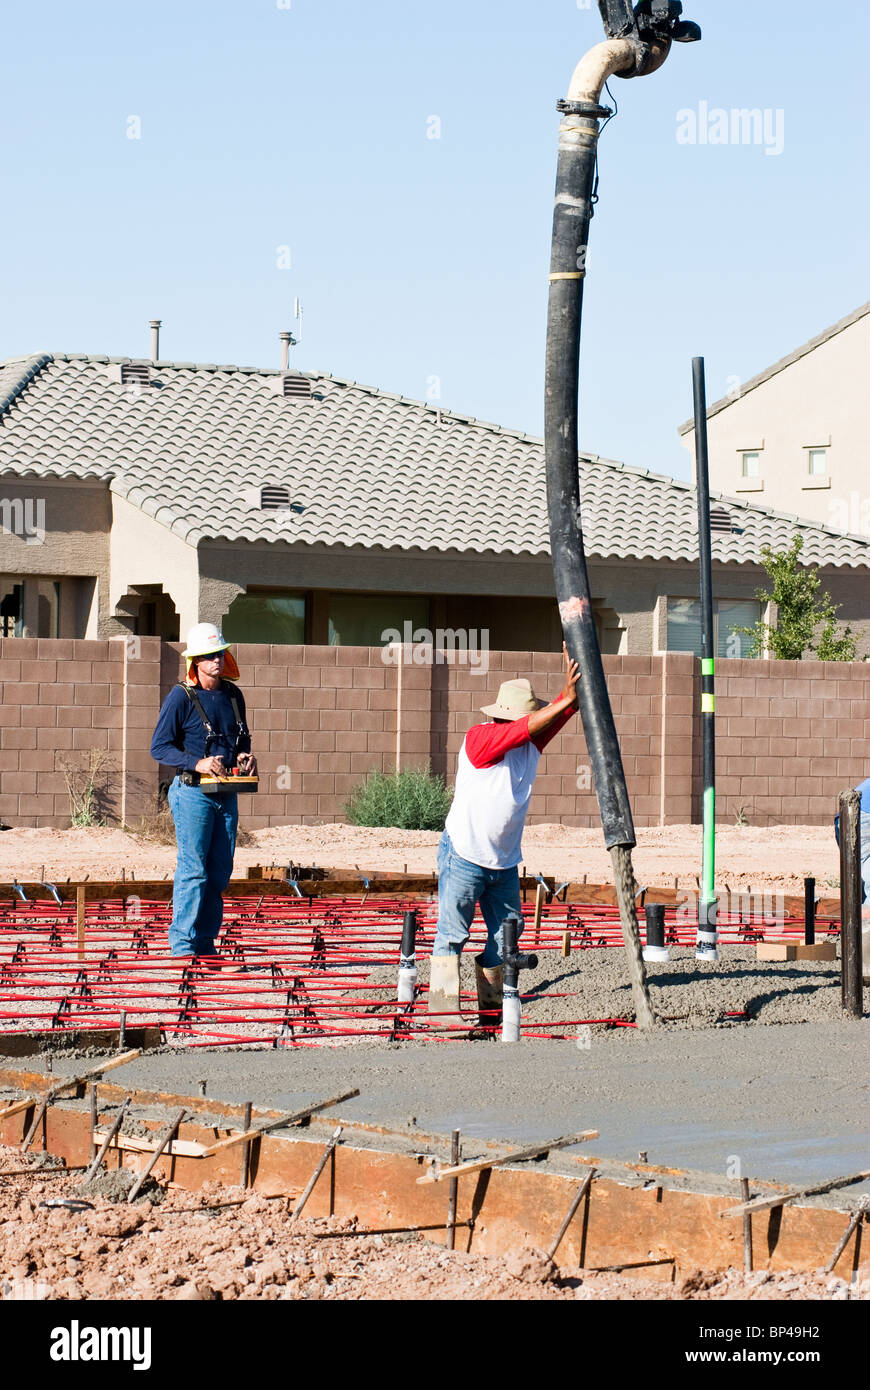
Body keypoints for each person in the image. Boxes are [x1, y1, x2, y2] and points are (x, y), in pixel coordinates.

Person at [429, 643, 580, 1017]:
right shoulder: (479, 738)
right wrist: (563, 702)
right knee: (452, 936)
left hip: (504, 863)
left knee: (507, 935)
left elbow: (564, 711)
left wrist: (573, 686)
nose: (535, 724)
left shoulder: (528, 743)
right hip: (463, 854)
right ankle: (442, 1013)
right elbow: (528, 727)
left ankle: (490, 1012)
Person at [150, 623, 257, 962]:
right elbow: (159, 747)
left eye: (220, 653)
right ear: (194, 660)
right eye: (209, 655)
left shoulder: (233, 696)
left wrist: (245, 757)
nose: (217, 659)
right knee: (193, 870)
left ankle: (206, 944)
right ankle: (182, 946)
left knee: (219, 870)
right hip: (193, 793)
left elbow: (241, 739)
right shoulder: (181, 696)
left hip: (225, 793)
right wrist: (197, 762)